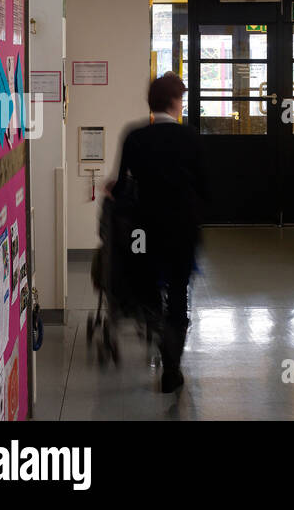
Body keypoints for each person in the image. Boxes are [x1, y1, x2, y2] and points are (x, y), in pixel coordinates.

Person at [114, 73, 209, 394]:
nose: (182, 104)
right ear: (173, 102)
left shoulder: (135, 137)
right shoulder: (191, 137)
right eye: (180, 99)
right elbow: (206, 187)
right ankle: (172, 367)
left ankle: (156, 328)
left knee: (150, 289)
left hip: (144, 230)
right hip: (182, 230)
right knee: (179, 293)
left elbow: (122, 186)